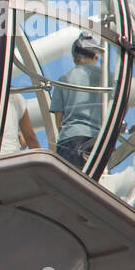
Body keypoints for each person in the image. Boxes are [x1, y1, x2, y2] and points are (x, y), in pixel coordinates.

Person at [50, 34, 106, 169]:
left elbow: (59, 122)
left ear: (75, 58)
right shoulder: (107, 79)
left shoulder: (63, 80)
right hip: (100, 140)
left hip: (70, 140)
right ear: (96, 56)